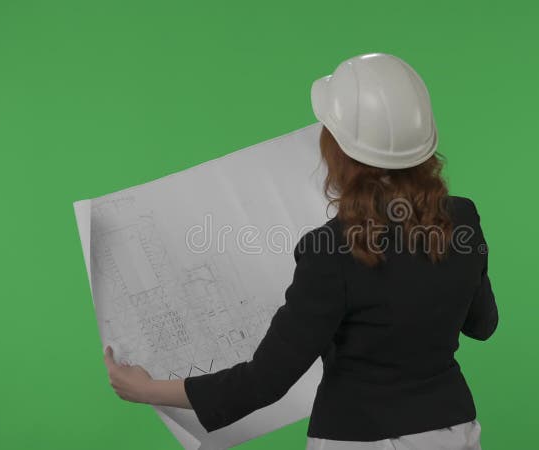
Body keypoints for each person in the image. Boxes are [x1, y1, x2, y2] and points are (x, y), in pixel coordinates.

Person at [103, 52, 498, 450]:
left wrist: (148, 389)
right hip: (455, 434)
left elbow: (264, 382)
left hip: (361, 441)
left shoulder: (331, 252)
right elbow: (483, 325)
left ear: (339, 152)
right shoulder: (462, 219)